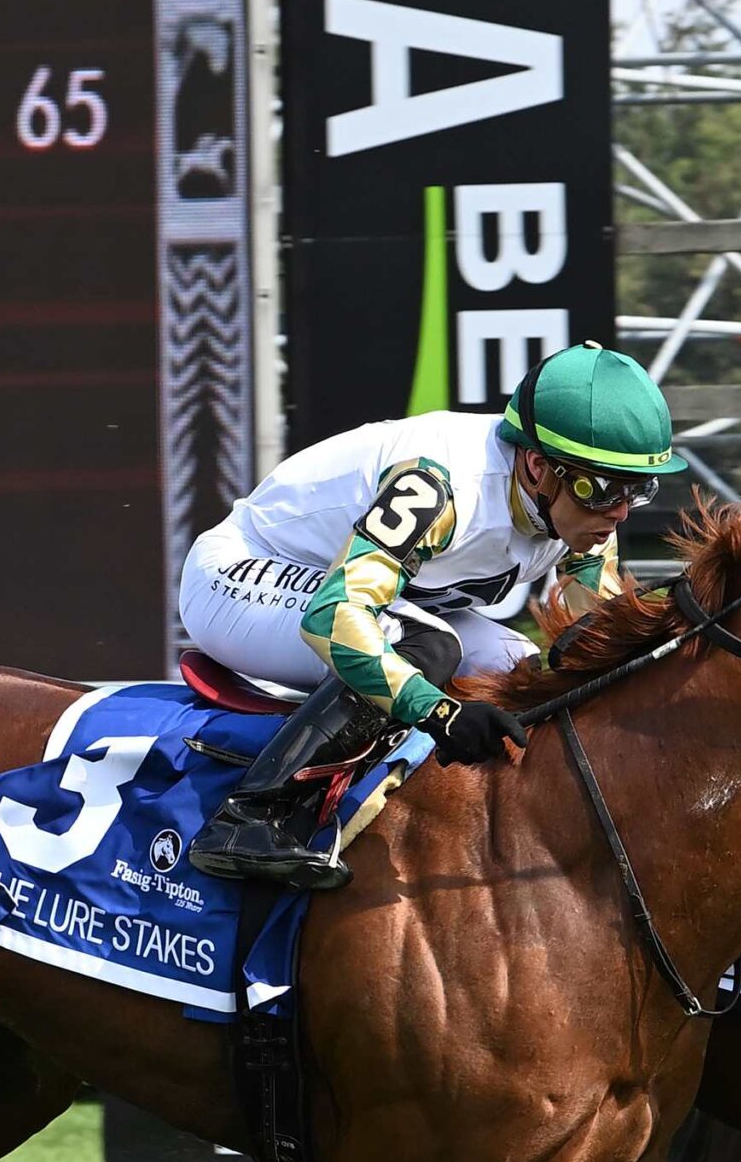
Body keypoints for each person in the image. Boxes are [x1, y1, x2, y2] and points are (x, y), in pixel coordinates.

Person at [178, 340, 687, 890]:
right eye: (604, 489)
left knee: (522, 666)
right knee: (426, 645)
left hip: (381, 595)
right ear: (539, 466)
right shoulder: (438, 486)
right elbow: (335, 615)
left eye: (637, 490)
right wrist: (440, 714)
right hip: (240, 575)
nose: (617, 512)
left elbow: (595, 629)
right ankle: (250, 816)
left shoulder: (580, 509)